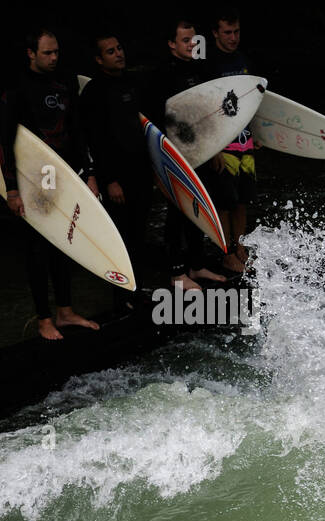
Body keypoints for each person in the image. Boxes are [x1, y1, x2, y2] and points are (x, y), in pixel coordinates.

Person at [1, 28, 101, 340]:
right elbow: (4, 142)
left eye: (56, 51)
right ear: (31, 53)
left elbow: (78, 131)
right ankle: (44, 318)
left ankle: (66, 311)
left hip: (64, 176)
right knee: (36, 249)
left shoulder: (66, 82)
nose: (54, 57)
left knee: (64, 244)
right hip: (32, 181)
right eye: (47, 53)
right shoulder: (16, 88)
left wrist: (90, 173)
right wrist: (12, 189)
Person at [148, 18, 226, 290]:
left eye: (194, 39)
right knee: (177, 213)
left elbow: (205, 115)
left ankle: (197, 264)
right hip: (175, 156)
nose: (192, 44)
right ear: (171, 44)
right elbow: (155, 124)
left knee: (199, 207)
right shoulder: (161, 75)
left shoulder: (199, 70)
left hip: (200, 151)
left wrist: (214, 148)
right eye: (185, 40)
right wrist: (162, 162)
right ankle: (176, 272)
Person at [81, 31, 152, 311]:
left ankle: (137, 290)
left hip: (140, 173)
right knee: (119, 237)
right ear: (99, 59)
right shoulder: (94, 92)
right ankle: (120, 297)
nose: (119, 53)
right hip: (116, 179)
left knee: (139, 234)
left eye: (119, 48)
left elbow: (146, 129)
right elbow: (95, 140)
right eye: (110, 51)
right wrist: (108, 180)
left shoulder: (133, 84)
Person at [204, 7, 256, 274]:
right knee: (224, 201)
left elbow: (251, 98)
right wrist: (212, 148)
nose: (233, 37)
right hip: (222, 145)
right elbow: (204, 108)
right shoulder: (208, 63)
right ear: (215, 33)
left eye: (236, 32)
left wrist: (257, 134)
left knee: (242, 200)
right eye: (227, 32)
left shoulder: (242, 59)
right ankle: (225, 252)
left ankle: (240, 246)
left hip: (244, 141)